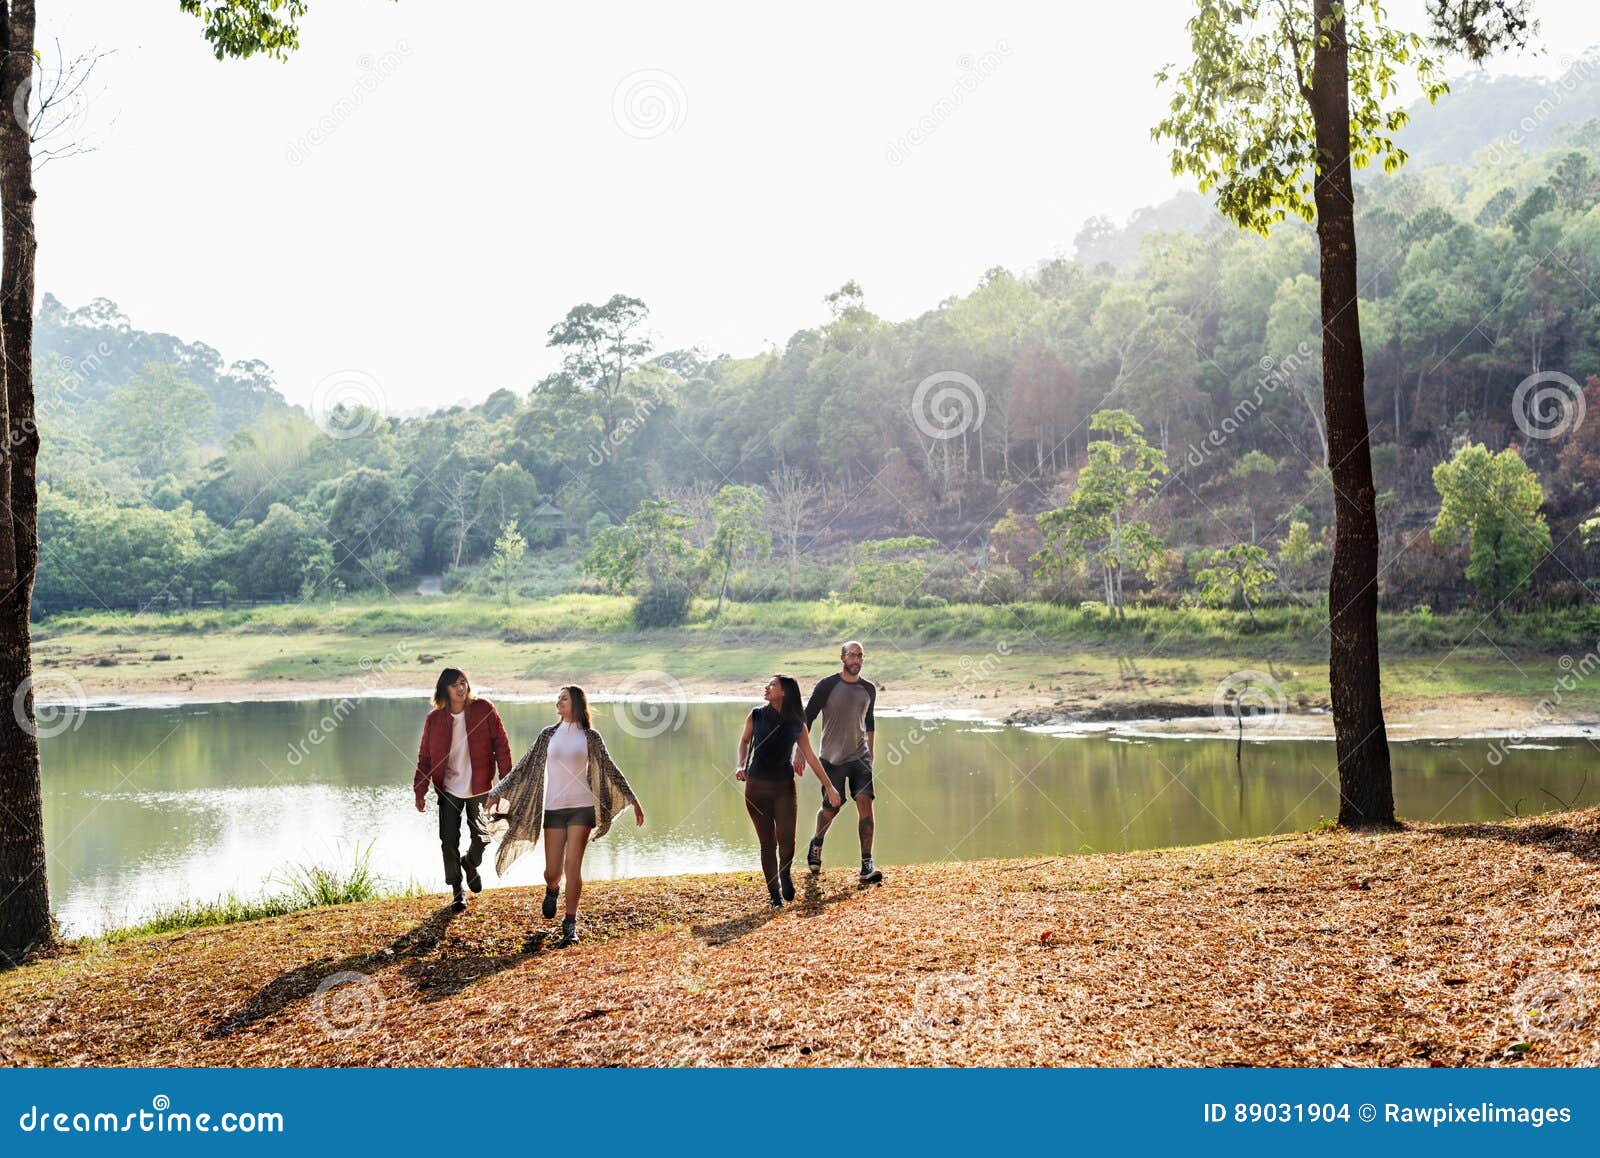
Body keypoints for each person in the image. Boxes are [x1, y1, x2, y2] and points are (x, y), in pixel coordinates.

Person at [485, 685, 644, 945]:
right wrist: (498, 791)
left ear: (577, 704)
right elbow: (524, 766)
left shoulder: (590, 737)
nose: (558, 701)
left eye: (564, 698)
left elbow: (610, 769)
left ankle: (570, 924)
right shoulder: (548, 735)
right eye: (558, 698)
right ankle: (552, 888)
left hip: (581, 809)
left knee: (573, 867)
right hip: (553, 809)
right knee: (552, 870)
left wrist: (633, 799)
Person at [736, 675, 841, 908]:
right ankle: (774, 895)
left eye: (772, 685)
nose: (766, 687)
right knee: (767, 843)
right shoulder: (756, 715)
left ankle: (785, 872)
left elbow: (811, 757)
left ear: (784, 692)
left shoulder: (796, 723)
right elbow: (744, 741)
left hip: (784, 787)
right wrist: (741, 765)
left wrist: (830, 786)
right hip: (756, 788)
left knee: (787, 841)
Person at [413, 668, 514, 911]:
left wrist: (505, 783)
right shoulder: (434, 720)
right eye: (455, 685)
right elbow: (425, 758)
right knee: (448, 840)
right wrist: (420, 790)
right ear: (444, 690)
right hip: (448, 789)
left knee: (482, 836)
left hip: (479, 788)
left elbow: (501, 746)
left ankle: (470, 862)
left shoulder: (484, 709)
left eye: (463, 682)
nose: (461, 688)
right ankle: (457, 890)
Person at [797, 640, 883, 883]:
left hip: (860, 757)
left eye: (860, 656)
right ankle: (817, 841)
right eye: (852, 655)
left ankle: (867, 863)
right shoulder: (827, 685)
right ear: (842, 658)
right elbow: (808, 715)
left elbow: (870, 720)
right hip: (832, 759)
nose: (856, 660)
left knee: (865, 804)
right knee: (831, 808)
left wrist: (871, 752)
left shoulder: (869, 689)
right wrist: (800, 750)